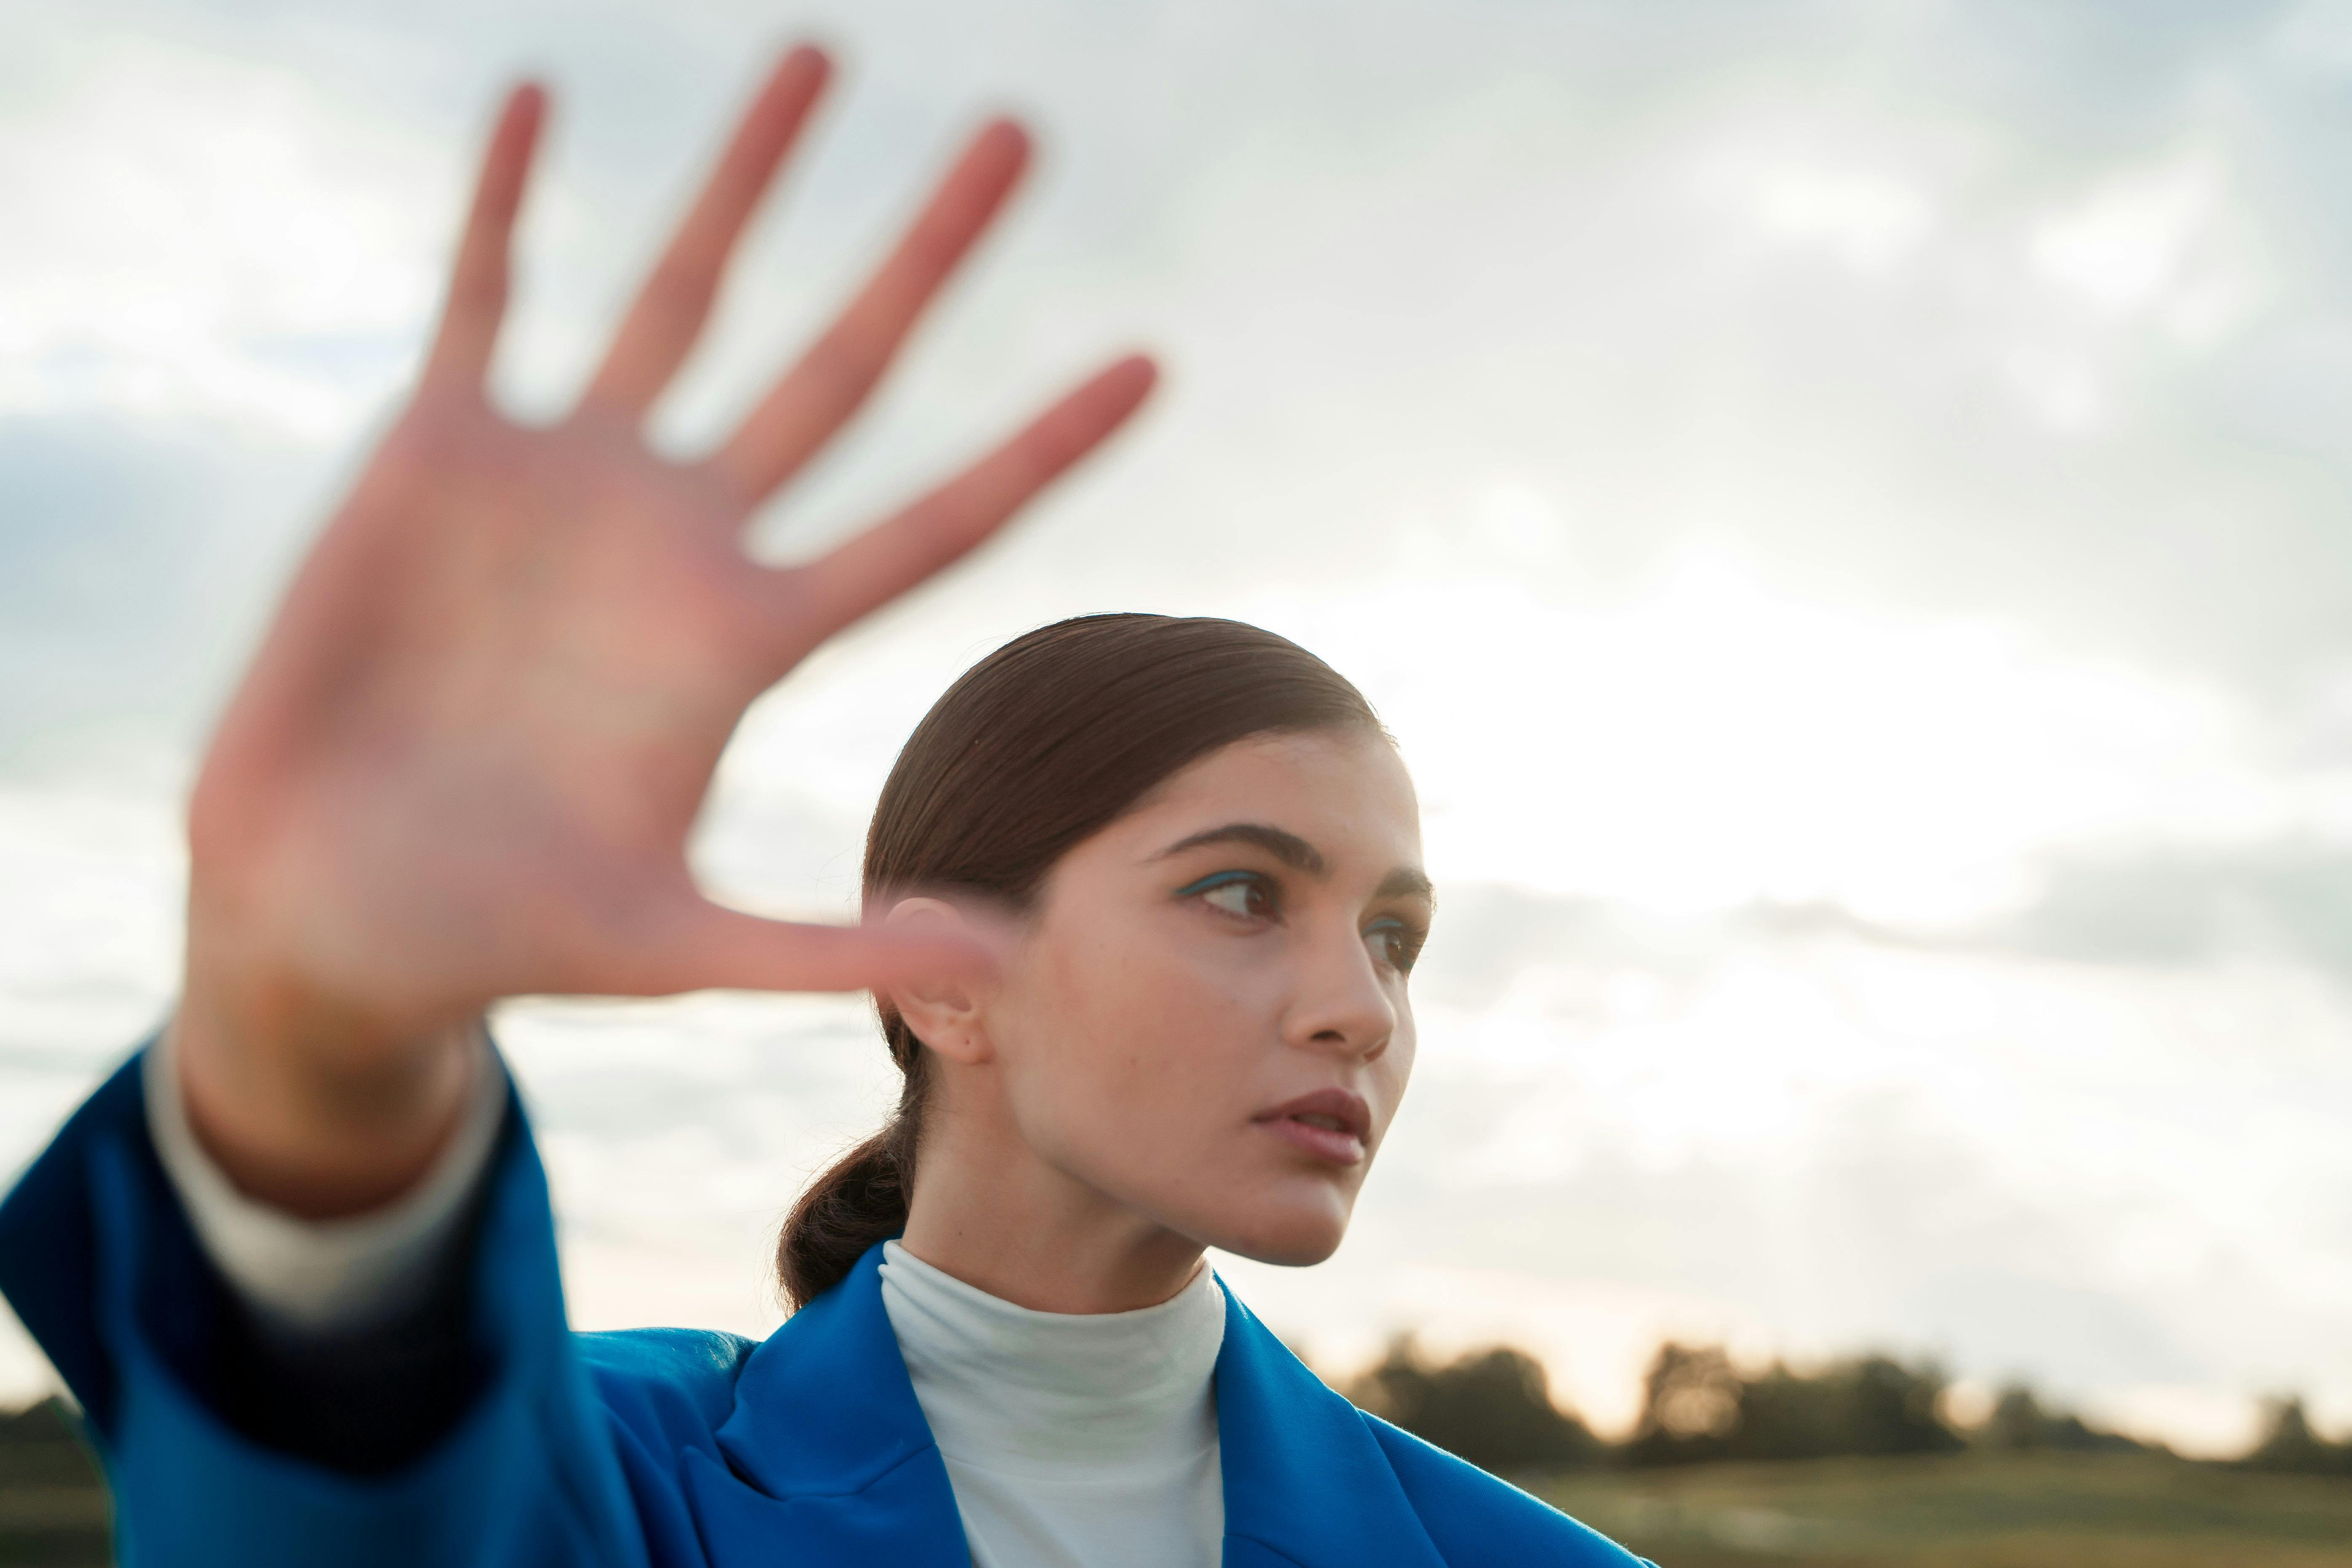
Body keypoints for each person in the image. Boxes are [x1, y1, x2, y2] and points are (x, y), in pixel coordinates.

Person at [0, 45, 1649, 1568]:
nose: (1358, 1009)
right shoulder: (585, 1481)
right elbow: (335, 1475)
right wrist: (318, 1048)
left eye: (1396, 935)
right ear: (938, 973)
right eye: (1238, 891)